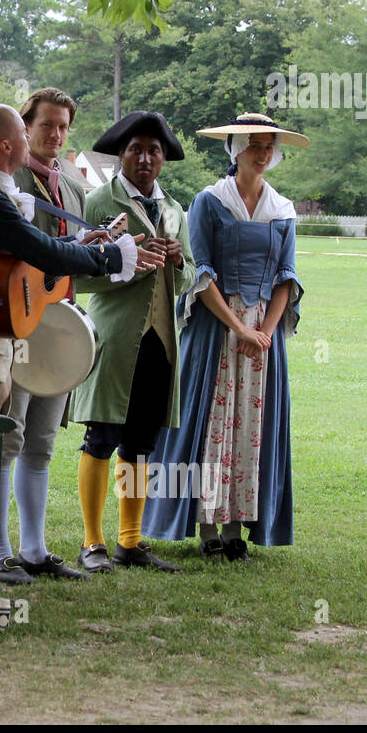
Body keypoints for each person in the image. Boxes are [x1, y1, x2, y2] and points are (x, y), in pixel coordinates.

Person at [0, 104, 164, 576]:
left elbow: (33, 262)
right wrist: (110, 255)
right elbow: (39, 249)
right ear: (6, 145)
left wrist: (84, 247)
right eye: (23, 131)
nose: (31, 138)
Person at [141, 113, 308, 559]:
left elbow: (286, 278)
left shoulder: (283, 210)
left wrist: (265, 332)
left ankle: (237, 526)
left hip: (262, 335)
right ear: (235, 150)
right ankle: (207, 525)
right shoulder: (210, 203)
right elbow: (200, 270)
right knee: (212, 424)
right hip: (216, 328)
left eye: (269, 144)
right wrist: (238, 327)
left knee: (251, 429)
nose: (263, 151)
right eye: (254, 143)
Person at [69, 111, 196, 574]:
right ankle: (92, 542)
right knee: (100, 435)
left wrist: (179, 262)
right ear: (121, 155)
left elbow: (188, 280)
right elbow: (77, 273)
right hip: (112, 338)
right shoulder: (98, 201)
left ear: (163, 159)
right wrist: (125, 262)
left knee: (141, 443)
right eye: (136, 149)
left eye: (154, 151)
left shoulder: (176, 210)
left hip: (161, 342)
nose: (145, 158)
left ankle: (130, 541)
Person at [0, 88, 93, 584]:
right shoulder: (10, 180)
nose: (55, 135)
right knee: (7, 438)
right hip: (20, 321)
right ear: (25, 127)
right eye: (46, 125)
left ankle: (34, 549)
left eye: (62, 127)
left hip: (60, 326)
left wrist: (96, 247)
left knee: (42, 442)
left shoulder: (72, 187)